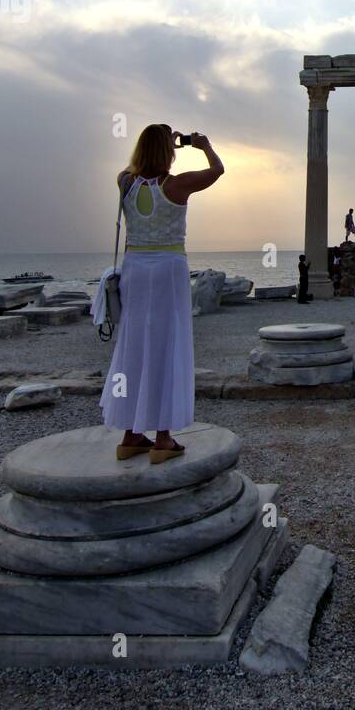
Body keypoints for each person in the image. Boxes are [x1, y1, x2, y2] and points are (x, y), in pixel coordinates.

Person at [101, 124, 224, 464]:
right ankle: (163, 439)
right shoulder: (177, 185)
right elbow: (218, 170)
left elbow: (134, 168)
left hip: (135, 269)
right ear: (168, 151)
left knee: (135, 347)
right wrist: (203, 144)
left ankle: (131, 434)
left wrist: (160, 143)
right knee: (166, 346)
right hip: (169, 267)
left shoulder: (124, 182)